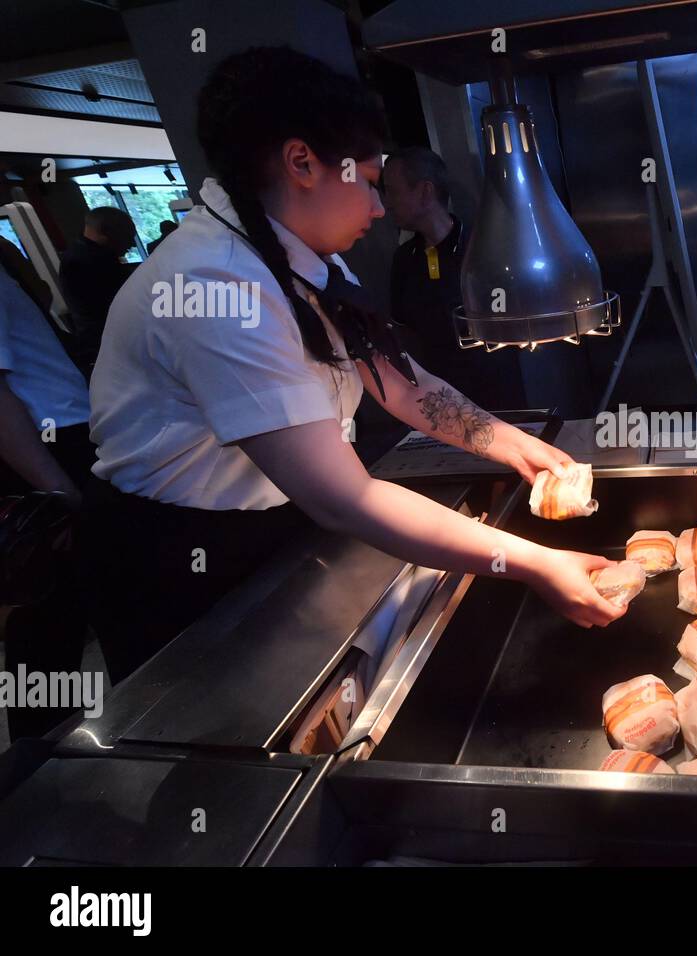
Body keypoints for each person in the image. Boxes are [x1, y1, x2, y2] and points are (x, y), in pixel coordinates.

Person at [81, 47, 623, 685]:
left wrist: (511, 444)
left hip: (274, 517)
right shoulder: (218, 286)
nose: (377, 207)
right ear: (302, 162)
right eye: (367, 181)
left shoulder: (305, 261)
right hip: (179, 552)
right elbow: (347, 498)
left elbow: (400, 383)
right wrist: (534, 562)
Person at [0, 244, 96, 741]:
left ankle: (46, 748)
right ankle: (40, 757)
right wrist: (61, 491)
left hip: (59, 439)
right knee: (46, 612)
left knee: (53, 611)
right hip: (50, 447)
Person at [382, 147, 523, 408]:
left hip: (500, 400)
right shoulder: (404, 259)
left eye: (392, 191)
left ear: (425, 191)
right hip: (437, 401)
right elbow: (403, 330)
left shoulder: (483, 247)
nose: (385, 203)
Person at [58, 205, 136, 370]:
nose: (131, 244)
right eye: (128, 235)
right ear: (106, 232)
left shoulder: (80, 255)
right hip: (112, 343)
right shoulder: (90, 262)